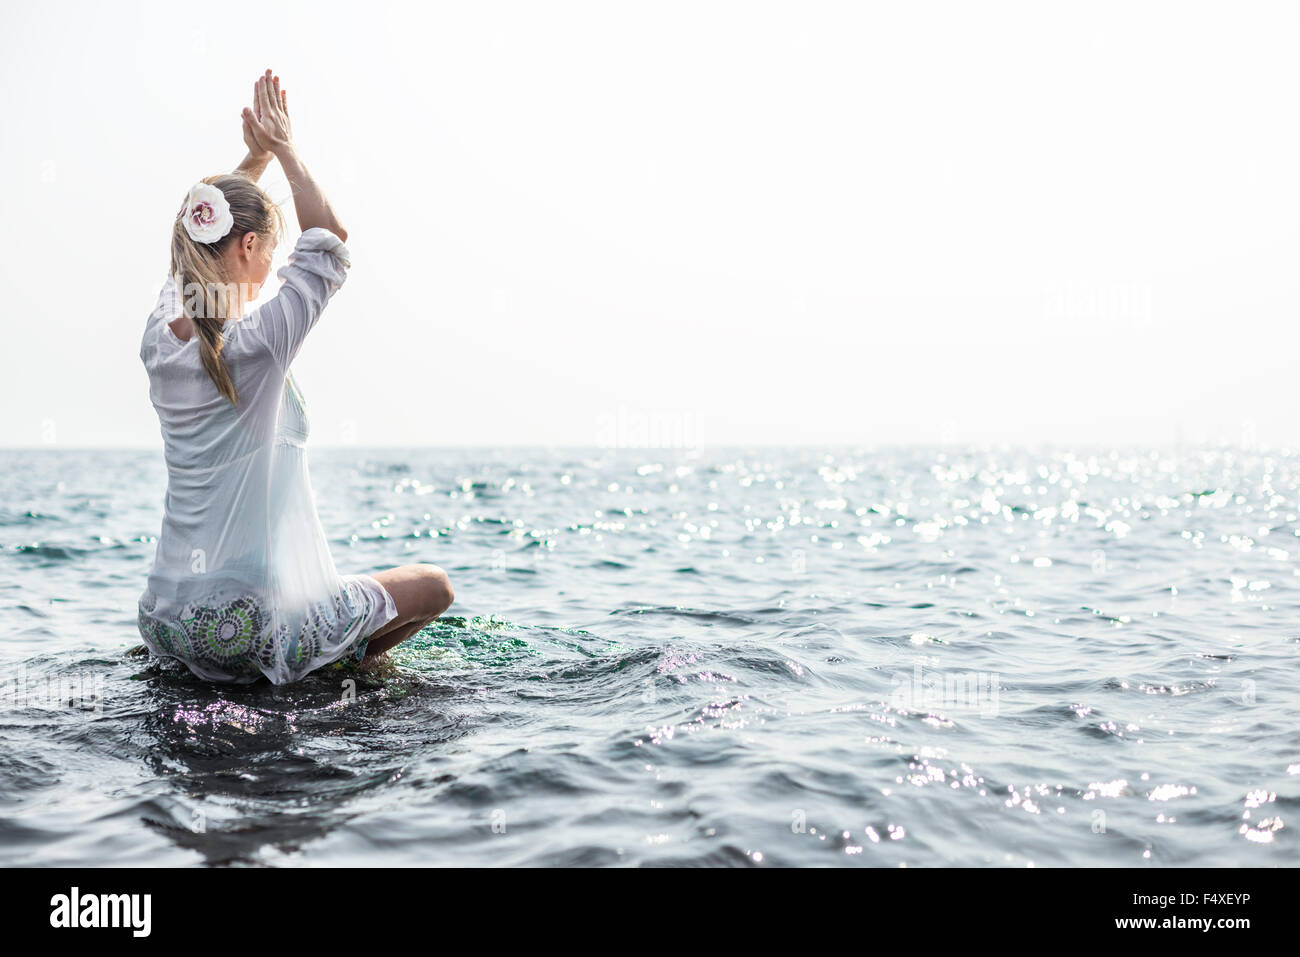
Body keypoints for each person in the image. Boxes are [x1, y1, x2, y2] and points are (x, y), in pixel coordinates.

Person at [136, 69, 452, 683]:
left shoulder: (158, 335)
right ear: (249, 245)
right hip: (243, 628)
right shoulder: (258, 347)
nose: (270, 270)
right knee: (435, 587)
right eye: (269, 254)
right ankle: (336, 667)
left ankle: (321, 658)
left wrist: (250, 163)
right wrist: (282, 148)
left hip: (166, 619)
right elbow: (329, 238)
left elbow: (190, 242)